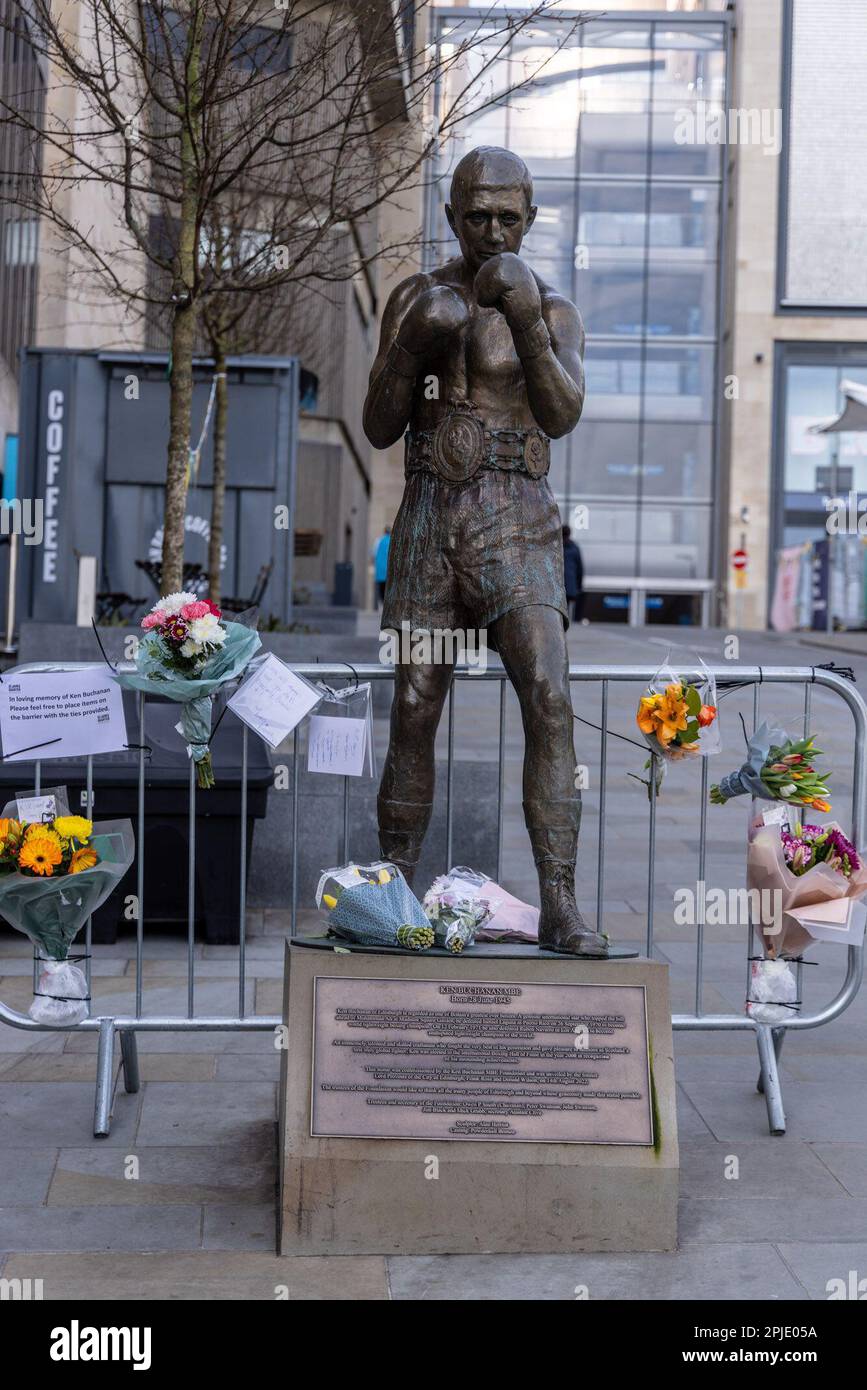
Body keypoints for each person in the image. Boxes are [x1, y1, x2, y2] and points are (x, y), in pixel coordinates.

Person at [362, 145, 606, 956]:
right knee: (413, 708)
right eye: (476, 215)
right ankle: (391, 893)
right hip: (432, 520)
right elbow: (376, 425)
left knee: (549, 697)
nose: (492, 230)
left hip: (519, 522)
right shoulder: (416, 296)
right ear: (450, 215)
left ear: (530, 218)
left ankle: (560, 904)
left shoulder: (558, 310)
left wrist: (528, 319)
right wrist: (408, 347)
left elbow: (563, 412)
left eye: (507, 216)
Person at [562, 524, 585, 625]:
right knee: (568, 604)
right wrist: (579, 586)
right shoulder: (575, 548)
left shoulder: (556, 546)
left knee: (562, 606)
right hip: (571, 583)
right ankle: (569, 622)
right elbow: (580, 569)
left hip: (560, 583)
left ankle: (563, 623)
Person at [372, 525, 391, 608]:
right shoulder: (393, 540)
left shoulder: (378, 541)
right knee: (388, 588)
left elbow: (373, 554)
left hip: (380, 569)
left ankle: (381, 605)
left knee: (381, 588)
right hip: (389, 570)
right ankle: (387, 604)